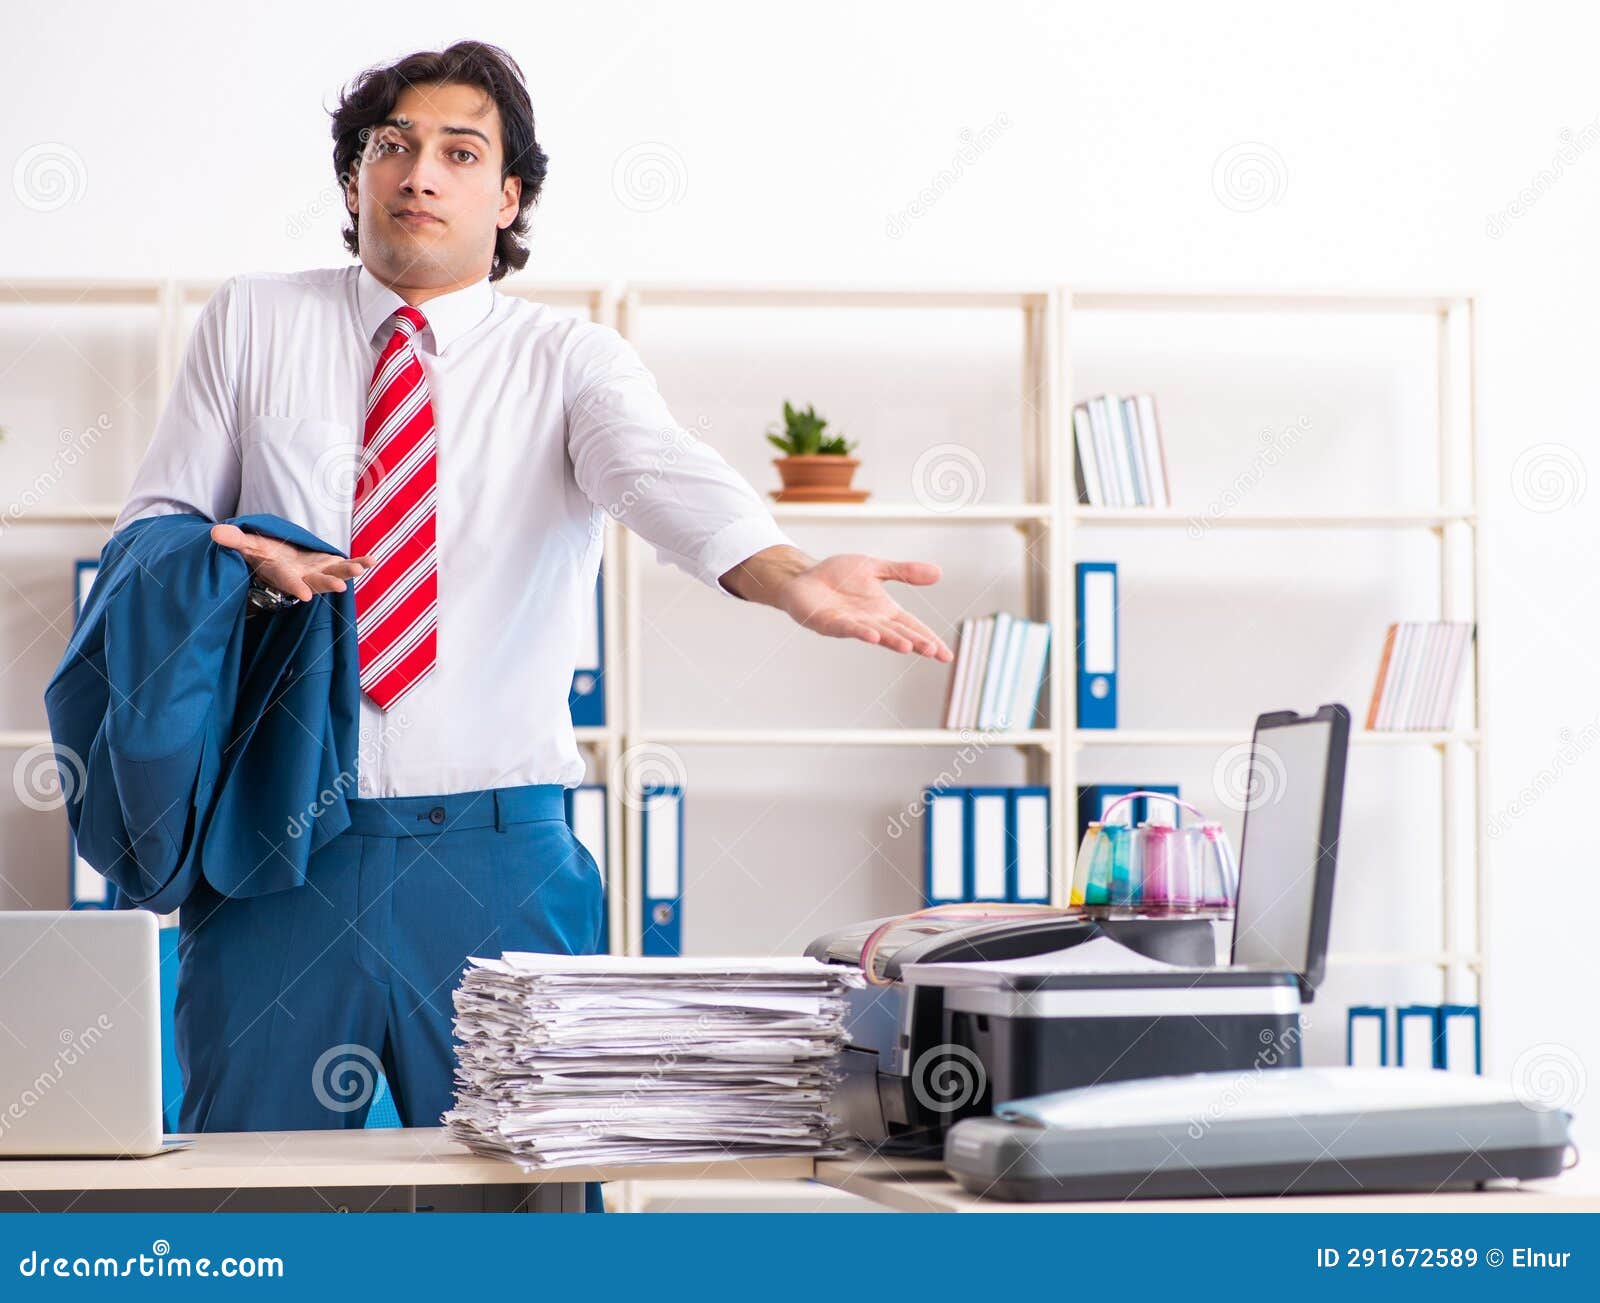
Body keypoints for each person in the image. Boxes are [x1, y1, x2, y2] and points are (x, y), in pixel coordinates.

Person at [111, 40, 951, 1205]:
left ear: (507, 199)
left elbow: (662, 476)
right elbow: (155, 528)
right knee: (253, 1207)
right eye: (392, 146)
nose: (420, 173)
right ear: (354, 178)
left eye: (461, 153)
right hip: (280, 850)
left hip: (497, 864)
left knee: (527, 1219)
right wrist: (240, 564)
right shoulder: (255, 320)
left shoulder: (567, 358)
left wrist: (789, 572)